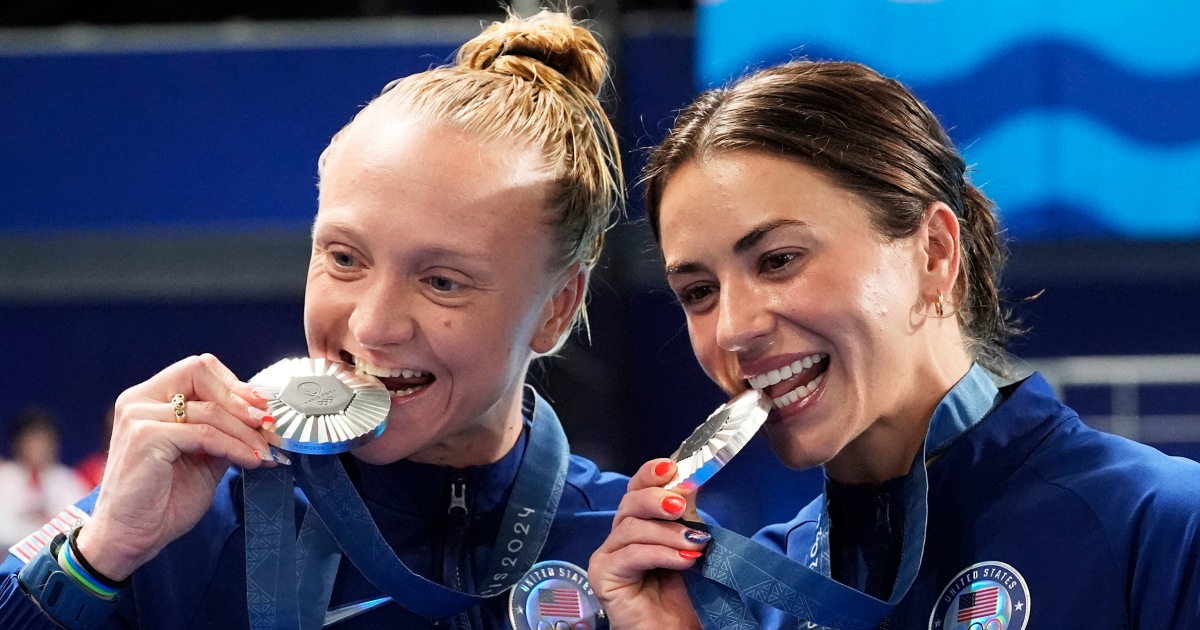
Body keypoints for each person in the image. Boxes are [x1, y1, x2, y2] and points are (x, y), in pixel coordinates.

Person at [1, 10, 629, 629]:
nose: (373, 326)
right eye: (345, 259)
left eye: (442, 282)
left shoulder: (627, 551)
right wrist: (98, 559)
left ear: (556, 309)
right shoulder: (181, 519)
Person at [588, 59, 1200, 629]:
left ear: (933, 252)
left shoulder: (1161, 527)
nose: (732, 328)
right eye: (698, 292)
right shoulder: (749, 599)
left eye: (778, 260)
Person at [0, 408, 91, 550]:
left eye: (43, 440)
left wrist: (49, 521)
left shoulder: (68, 481)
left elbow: (82, 527)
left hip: (55, 556)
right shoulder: (4, 477)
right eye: (31, 440)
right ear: (17, 443)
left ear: (54, 443)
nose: (37, 447)